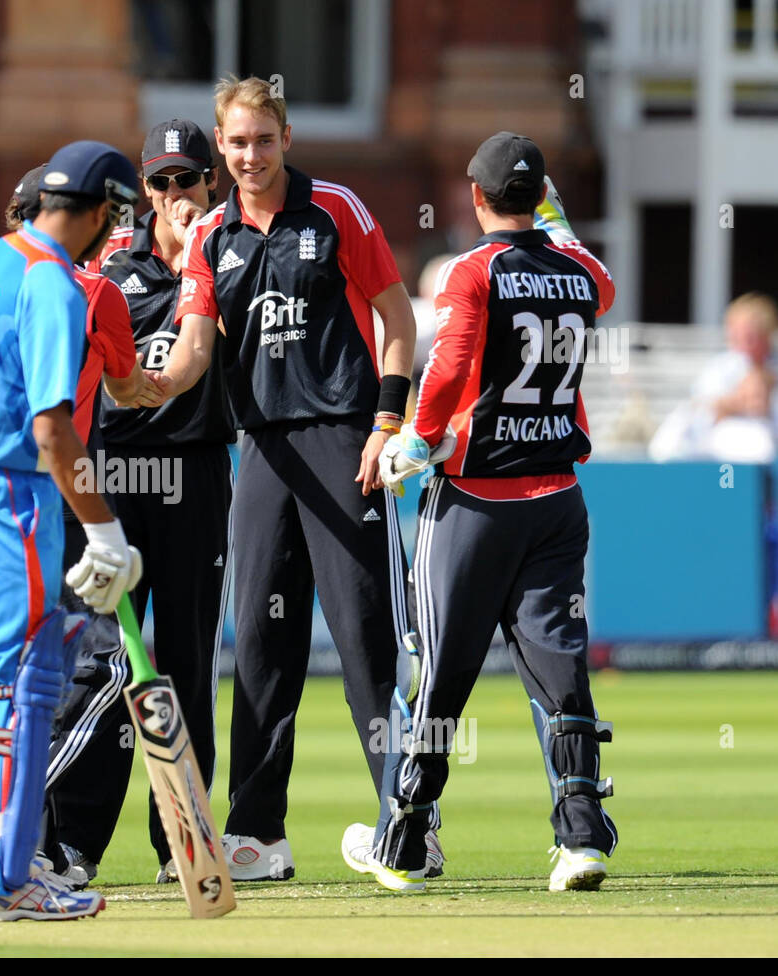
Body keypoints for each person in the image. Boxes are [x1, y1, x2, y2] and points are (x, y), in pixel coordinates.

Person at [156, 77, 433, 881]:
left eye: (262, 140)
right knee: (262, 644)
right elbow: (194, 352)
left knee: (364, 637)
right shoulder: (211, 232)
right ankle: (257, 832)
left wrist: (387, 426)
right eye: (235, 144)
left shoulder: (338, 209)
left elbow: (399, 320)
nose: (249, 156)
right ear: (221, 148)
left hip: (348, 440)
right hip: (263, 452)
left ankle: (410, 818)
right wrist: (140, 386)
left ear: (286, 137)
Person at [358, 134, 618, 892]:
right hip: (558, 498)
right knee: (561, 667)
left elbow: (446, 366)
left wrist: (413, 439)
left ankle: (403, 841)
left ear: (475, 196)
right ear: (537, 196)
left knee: (438, 676)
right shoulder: (579, 271)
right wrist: (559, 222)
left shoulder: (475, 270)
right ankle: (581, 837)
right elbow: (598, 282)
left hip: (476, 503)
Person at [0, 141, 145, 921]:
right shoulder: (52, 282)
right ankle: (3, 878)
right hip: (13, 493)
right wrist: (104, 530)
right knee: (26, 684)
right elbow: (52, 428)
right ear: (104, 211)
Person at [44, 119, 236, 886]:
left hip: (194, 474)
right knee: (99, 657)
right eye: (159, 182)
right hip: (113, 476)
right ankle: (71, 841)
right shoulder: (109, 262)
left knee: (187, 660)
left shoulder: (221, 258)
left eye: (187, 179)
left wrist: (200, 266)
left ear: (209, 183)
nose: (174, 195)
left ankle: (180, 841)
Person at [648, 292, 778, 463]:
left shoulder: (773, 366)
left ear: (766, 334)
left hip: (764, 439)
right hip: (719, 438)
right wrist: (738, 402)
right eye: (737, 334)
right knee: (671, 438)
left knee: (760, 447)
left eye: (750, 336)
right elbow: (703, 409)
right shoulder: (722, 366)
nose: (742, 341)